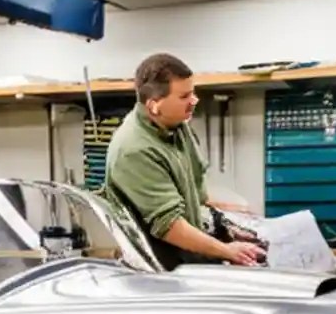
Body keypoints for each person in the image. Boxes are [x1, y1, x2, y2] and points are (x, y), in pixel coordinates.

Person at [101, 52, 266, 269]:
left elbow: (196, 196)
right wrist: (227, 250)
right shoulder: (133, 150)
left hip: (191, 262)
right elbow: (169, 225)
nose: (193, 101)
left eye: (193, 94)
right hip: (162, 273)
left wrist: (228, 227)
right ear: (154, 105)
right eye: (184, 96)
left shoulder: (177, 128)